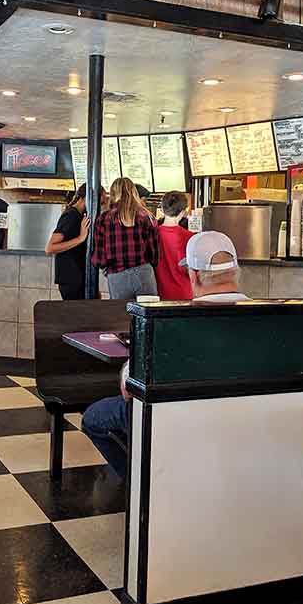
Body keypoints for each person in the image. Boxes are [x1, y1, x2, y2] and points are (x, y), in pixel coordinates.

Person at [82, 230, 248, 478]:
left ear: (193, 275)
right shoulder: (265, 318)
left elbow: (129, 389)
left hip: (177, 423)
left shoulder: (172, 324)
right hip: (243, 426)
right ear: (235, 271)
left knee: (94, 417)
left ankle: (141, 486)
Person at [91, 177, 159, 300]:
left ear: (112, 193)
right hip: (144, 273)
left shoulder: (104, 218)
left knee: (121, 317)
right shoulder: (147, 216)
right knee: (147, 316)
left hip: (117, 275)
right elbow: (154, 254)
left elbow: (99, 259)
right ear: (133, 192)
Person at [45, 184, 106, 300]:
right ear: (87, 198)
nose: (99, 207)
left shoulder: (79, 215)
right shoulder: (71, 216)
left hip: (78, 278)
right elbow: (50, 248)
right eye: (99, 203)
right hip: (71, 280)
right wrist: (80, 238)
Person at [155, 191, 194, 300]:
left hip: (159, 294)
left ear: (162, 209)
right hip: (185, 294)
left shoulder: (153, 234)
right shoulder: (190, 237)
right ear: (182, 212)